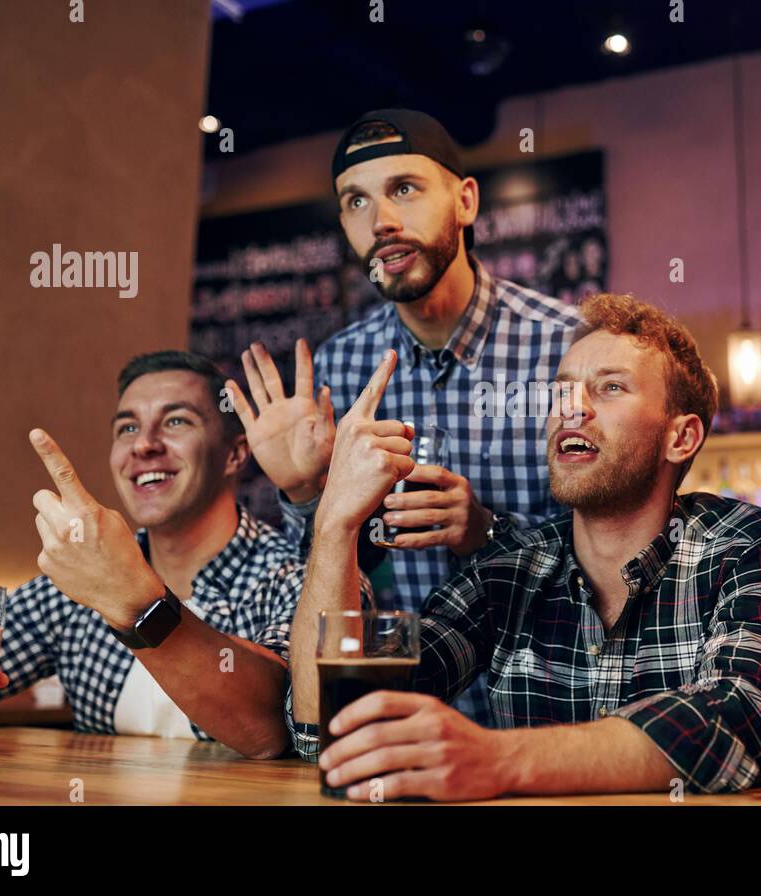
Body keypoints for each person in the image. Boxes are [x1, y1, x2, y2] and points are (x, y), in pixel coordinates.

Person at [285, 294, 761, 800]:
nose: (572, 410)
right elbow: (330, 728)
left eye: (609, 389)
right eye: (563, 392)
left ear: (681, 438)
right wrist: (335, 522)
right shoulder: (509, 570)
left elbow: (737, 716)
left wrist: (494, 759)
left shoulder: (747, 545)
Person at [227, 109, 581, 726]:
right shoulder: (342, 365)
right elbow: (340, 580)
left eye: (404, 190)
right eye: (356, 201)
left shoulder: (569, 347)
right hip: (406, 721)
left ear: (465, 201)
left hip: (554, 714)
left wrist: (486, 531)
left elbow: (627, 548)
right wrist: (306, 492)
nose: (381, 221)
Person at [0, 352, 301, 758]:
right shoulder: (79, 581)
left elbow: (269, 730)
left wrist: (133, 599)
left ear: (235, 454)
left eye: (176, 421)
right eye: (127, 428)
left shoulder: (290, 575)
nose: (145, 445)